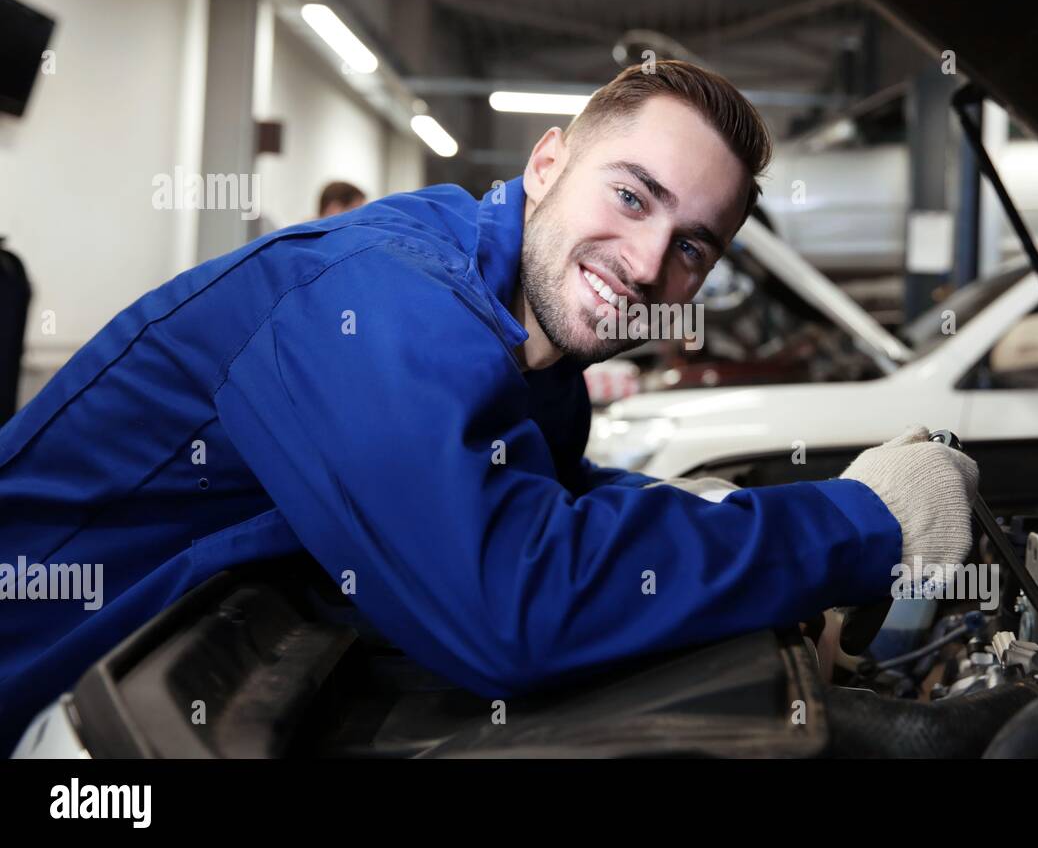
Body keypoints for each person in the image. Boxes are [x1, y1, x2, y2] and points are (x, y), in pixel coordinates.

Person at [0, 61, 976, 750]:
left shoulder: (528, 349)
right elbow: (509, 601)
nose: (648, 263)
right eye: (633, 197)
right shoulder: (377, 298)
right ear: (547, 162)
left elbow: (560, 506)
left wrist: (773, 558)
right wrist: (854, 526)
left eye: (692, 245)